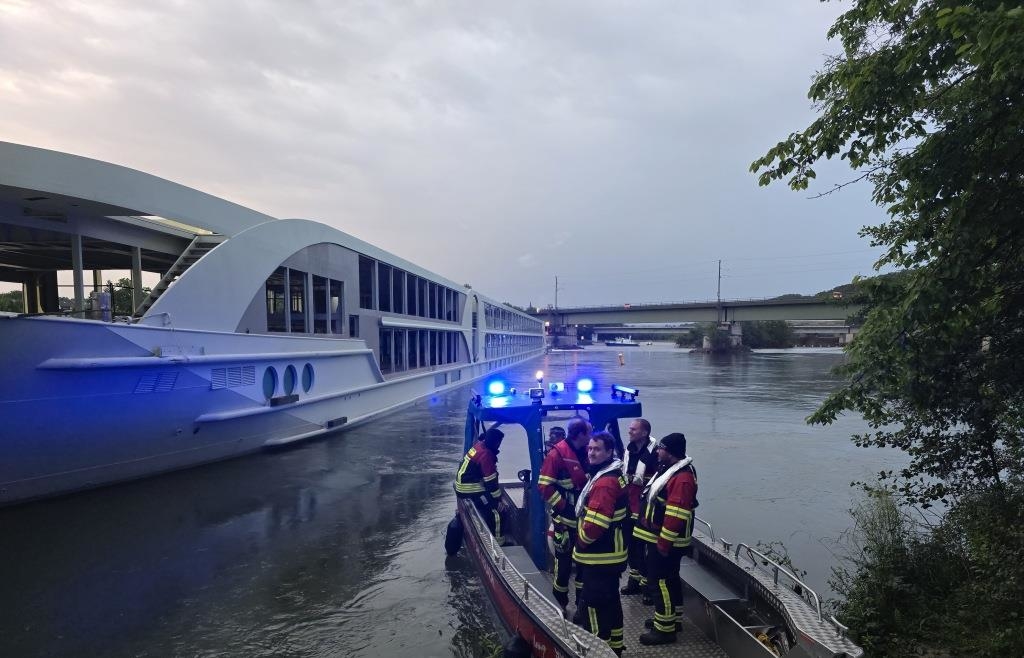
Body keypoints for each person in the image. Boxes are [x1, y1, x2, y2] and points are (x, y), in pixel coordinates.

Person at [635, 432, 698, 646]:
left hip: (667, 542)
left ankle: (665, 630)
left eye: (660, 449)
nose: (657, 452)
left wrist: (663, 543)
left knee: (659, 581)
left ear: (669, 452)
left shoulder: (682, 477)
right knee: (669, 579)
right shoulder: (671, 471)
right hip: (662, 538)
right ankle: (673, 619)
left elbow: (676, 514)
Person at [573, 431, 628, 656]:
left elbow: (596, 524)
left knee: (594, 606)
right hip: (611, 554)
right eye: (589, 448)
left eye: (597, 449)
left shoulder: (604, 483)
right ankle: (614, 648)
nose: (591, 453)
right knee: (611, 603)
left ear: (608, 452)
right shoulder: (610, 474)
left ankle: (597, 652)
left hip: (599, 555)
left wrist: (581, 541)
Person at [538, 417, 591, 611]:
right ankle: (559, 602)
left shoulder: (589, 451)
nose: (592, 437)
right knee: (564, 562)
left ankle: (581, 603)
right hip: (564, 519)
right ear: (580, 435)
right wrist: (562, 506)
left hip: (586, 517)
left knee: (584, 563)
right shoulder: (556, 455)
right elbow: (544, 486)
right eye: (589, 433)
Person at [620, 418, 659, 598]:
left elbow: (657, 481)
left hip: (646, 508)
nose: (630, 432)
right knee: (632, 547)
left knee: (647, 550)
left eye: (633, 430)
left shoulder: (656, 453)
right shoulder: (629, 450)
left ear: (644, 433)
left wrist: (635, 479)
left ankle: (648, 589)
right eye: (630, 429)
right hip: (630, 505)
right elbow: (623, 473)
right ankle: (634, 581)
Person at [454, 428, 507, 543]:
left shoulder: (479, 446)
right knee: (497, 512)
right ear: (496, 442)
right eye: (499, 443)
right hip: (470, 490)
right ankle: (500, 544)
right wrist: (498, 500)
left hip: (462, 486)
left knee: (492, 502)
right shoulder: (486, 455)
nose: (499, 446)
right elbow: (491, 483)